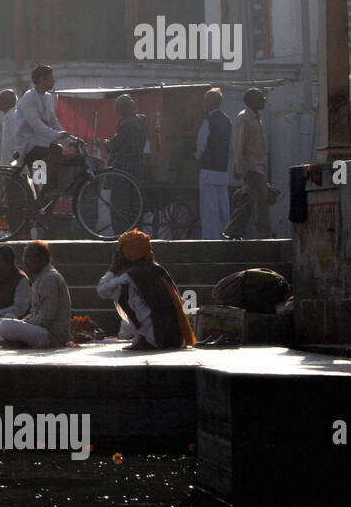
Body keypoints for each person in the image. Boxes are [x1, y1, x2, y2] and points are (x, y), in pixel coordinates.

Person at [97, 230, 197, 350]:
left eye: (120, 252)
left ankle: (145, 338)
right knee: (126, 289)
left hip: (158, 337)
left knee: (120, 291)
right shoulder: (156, 269)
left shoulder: (134, 275)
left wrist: (112, 269)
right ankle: (144, 336)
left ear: (128, 254)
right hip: (172, 337)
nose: (118, 256)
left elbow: (103, 290)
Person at [0, 240, 72, 349]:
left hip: (51, 336)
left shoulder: (50, 278)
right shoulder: (41, 277)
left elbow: (46, 318)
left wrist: (23, 325)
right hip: (40, 330)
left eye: (28, 257)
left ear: (42, 258)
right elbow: (35, 314)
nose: (24, 261)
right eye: (25, 257)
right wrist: (22, 323)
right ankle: (14, 342)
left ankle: (15, 342)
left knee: (5, 326)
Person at [224, 88, 272, 240]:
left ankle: (233, 230)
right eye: (260, 98)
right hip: (251, 166)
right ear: (251, 101)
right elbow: (239, 144)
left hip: (258, 166)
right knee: (261, 199)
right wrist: (239, 167)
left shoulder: (256, 118)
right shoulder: (243, 118)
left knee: (250, 200)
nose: (263, 100)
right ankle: (264, 232)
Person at [15, 64, 70, 193]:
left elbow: (53, 122)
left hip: (41, 143)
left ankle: (43, 198)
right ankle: (48, 189)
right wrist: (57, 136)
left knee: (40, 181)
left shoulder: (46, 98)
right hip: (29, 144)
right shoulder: (29, 98)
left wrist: (69, 140)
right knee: (56, 151)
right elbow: (36, 125)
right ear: (41, 79)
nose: (53, 80)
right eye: (51, 77)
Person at [196, 88, 233, 240]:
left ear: (208, 103)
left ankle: (211, 238)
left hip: (208, 169)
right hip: (223, 169)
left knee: (209, 208)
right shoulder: (227, 120)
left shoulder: (208, 120)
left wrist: (199, 158)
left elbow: (201, 143)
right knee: (223, 206)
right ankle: (225, 235)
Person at [105, 93, 146, 221]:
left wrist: (107, 143)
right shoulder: (140, 121)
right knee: (134, 203)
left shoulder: (126, 124)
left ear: (123, 107)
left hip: (123, 167)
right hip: (138, 166)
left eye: (117, 107)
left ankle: (120, 231)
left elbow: (115, 144)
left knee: (119, 204)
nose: (116, 110)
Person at [0, 89, 20, 165]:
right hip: (11, 163)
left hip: (13, 164)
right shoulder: (10, 116)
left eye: (0, 100)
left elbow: (17, 139)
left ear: (7, 103)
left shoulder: (11, 117)